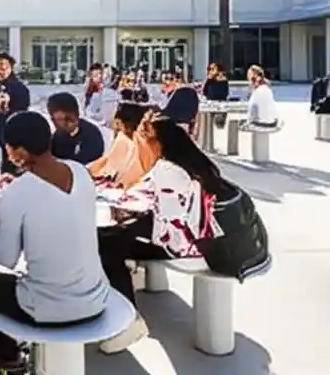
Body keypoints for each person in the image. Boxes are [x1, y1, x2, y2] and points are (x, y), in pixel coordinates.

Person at [0, 112, 109, 375]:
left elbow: (5, 259)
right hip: (96, 298)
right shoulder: (80, 172)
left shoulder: (16, 192)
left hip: (47, 308)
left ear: (19, 151)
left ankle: (8, 355)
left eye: (8, 147)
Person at [96, 116, 235, 354]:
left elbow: (153, 211)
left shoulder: (167, 170)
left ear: (158, 143)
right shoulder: (197, 164)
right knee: (119, 238)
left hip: (186, 247)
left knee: (108, 243)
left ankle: (127, 320)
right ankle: (123, 302)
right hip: (205, 240)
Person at [0, 53, 30, 174]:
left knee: (12, 162)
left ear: (10, 68)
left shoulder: (18, 87)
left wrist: (9, 102)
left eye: (4, 68)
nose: (1, 71)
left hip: (13, 129)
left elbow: (23, 108)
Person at [89, 101, 157, 188]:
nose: (116, 128)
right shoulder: (125, 139)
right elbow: (108, 159)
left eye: (118, 124)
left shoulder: (131, 141)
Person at [46, 91, 106, 165]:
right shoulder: (57, 136)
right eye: (57, 120)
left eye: (67, 119)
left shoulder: (92, 135)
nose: (64, 123)